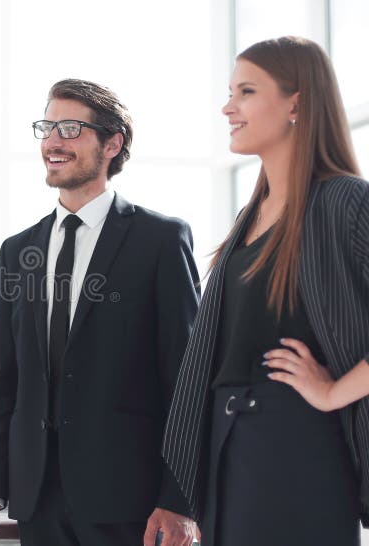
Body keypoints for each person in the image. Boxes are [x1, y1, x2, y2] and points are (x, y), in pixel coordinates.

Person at [0, 79, 201, 546]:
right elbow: (5, 383)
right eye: (47, 127)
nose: (52, 141)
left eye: (70, 128)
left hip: (129, 501)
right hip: (38, 503)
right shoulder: (18, 251)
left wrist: (180, 498)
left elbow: (187, 380)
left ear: (112, 144)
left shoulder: (160, 241)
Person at [162, 36, 369, 546]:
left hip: (298, 452)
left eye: (246, 91)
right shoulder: (246, 219)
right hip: (226, 452)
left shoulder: (346, 202)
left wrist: (332, 391)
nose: (227, 107)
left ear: (296, 101)